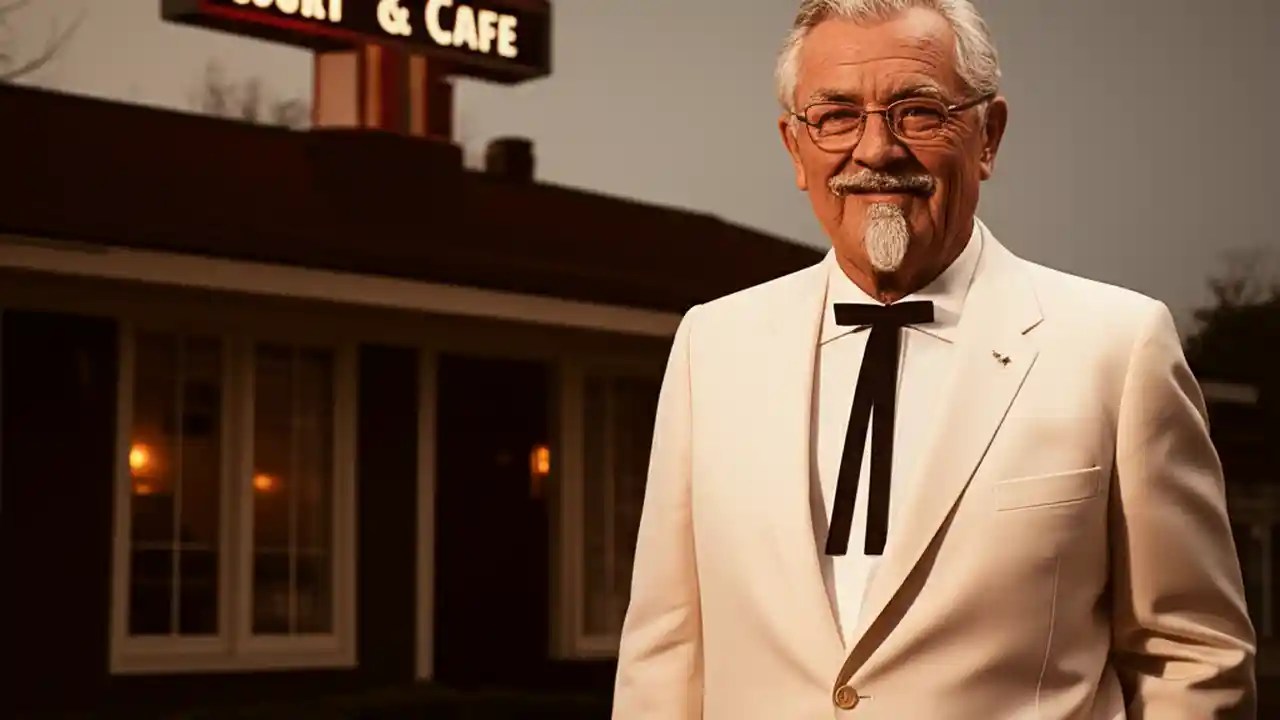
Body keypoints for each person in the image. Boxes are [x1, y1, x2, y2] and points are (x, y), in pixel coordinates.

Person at [611, 1, 1256, 718]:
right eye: (836, 116)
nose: (877, 148)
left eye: (918, 112)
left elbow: (1192, 656)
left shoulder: (1116, 348)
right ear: (796, 149)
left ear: (988, 136)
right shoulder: (713, 345)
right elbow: (664, 655)